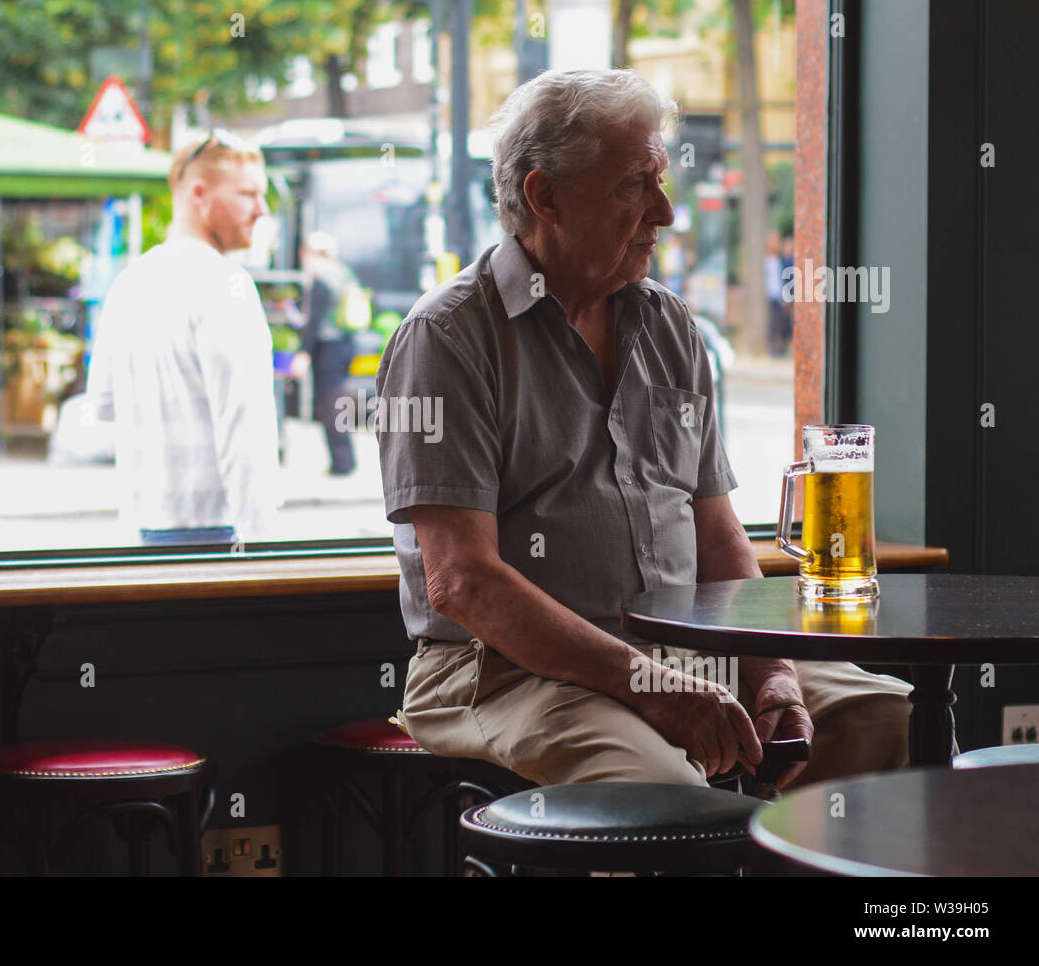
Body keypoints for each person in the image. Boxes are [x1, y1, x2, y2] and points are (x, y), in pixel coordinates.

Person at [377, 69, 920, 790]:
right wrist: (651, 683)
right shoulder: (448, 336)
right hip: (502, 672)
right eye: (635, 185)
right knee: (662, 785)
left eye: (661, 181)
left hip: (685, 652)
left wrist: (774, 674)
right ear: (545, 197)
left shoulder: (669, 323)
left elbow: (719, 534)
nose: (665, 211)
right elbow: (462, 582)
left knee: (875, 711)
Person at [88, 128, 281, 546]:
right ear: (200, 194)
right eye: (248, 195)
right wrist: (265, 550)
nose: (261, 210)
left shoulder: (129, 282)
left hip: (142, 526)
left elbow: (103, 405)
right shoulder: (227, 285)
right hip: (216, 527)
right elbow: (245, 430)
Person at [293, 232, 361, 475]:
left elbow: (313, 323)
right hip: (345, 344)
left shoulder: (322, 281)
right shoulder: (343, 274)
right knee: (337, 401)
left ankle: (341, 462)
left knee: (329, 404)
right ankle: (346, 459)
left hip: (327, 348)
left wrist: (303, 354)